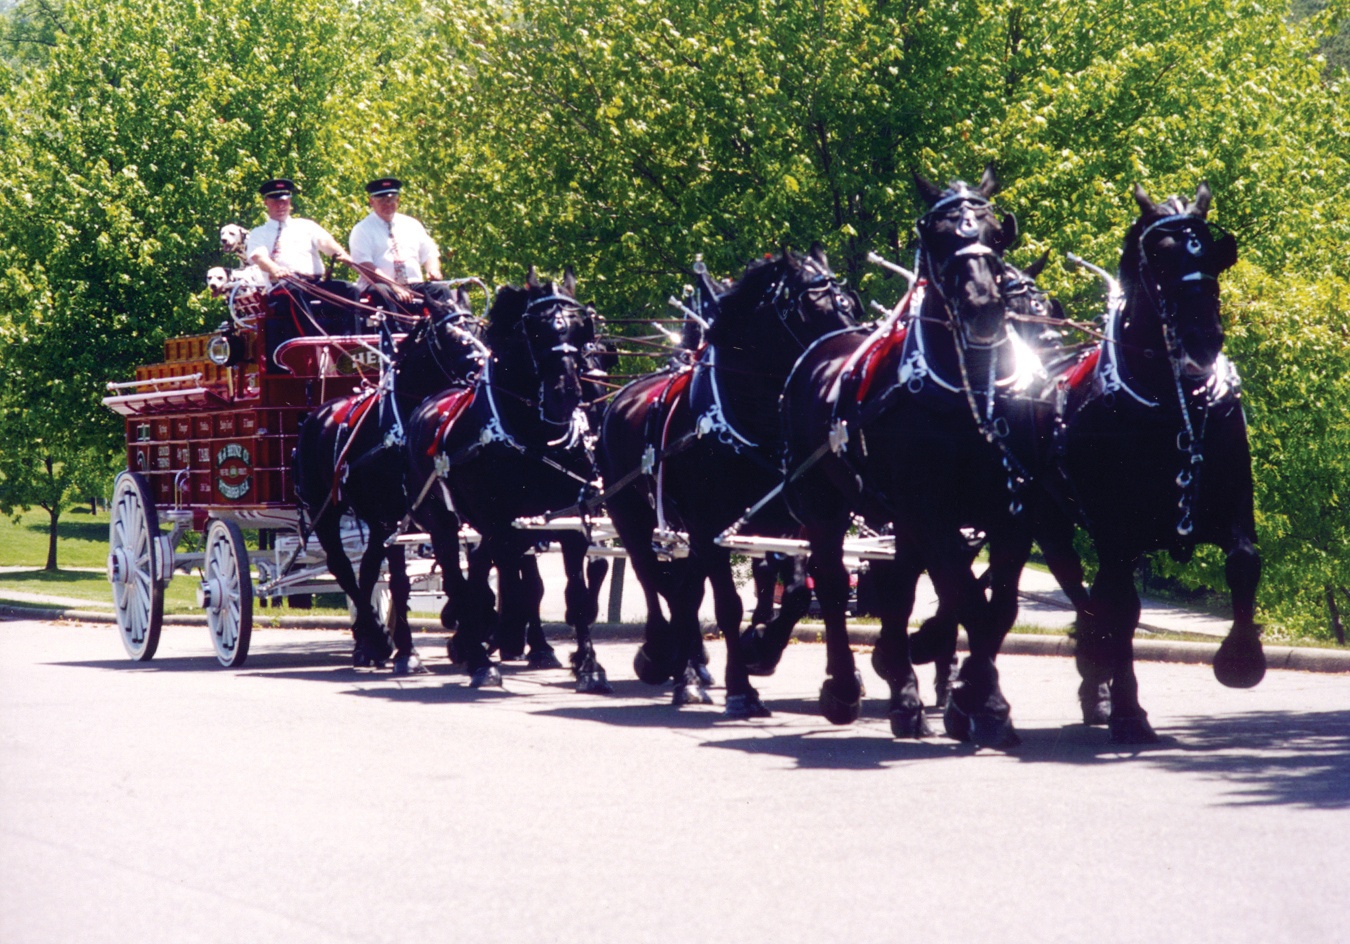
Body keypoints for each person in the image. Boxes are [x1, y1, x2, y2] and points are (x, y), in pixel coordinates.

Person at [245, 178, 361, 348]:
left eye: (284, 201)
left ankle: (353, 344)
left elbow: (326, 242)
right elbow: (259, 257)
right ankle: (311, 344)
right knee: (294, 291)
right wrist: (275, 269)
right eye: (275, 202)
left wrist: (342, 255)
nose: (281, 206)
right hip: (283, 286)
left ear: (290, 202)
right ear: (266, 203)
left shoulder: (306, 226)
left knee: (350, 290)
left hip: (314, 285)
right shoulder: (259, 233)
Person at [348, 177, 450, 318]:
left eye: (391, 199)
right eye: (381, 200)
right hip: (381, 286)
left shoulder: (412, 225)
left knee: (440, 290)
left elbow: (430, 253)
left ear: (398, 200)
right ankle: (397, 333)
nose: (387, 204)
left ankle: (447, 333)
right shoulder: (362, 229)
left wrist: (433, 270)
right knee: (382, 291)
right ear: (372, 202)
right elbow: (364, 265)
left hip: (412, 284)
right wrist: (394, 285)